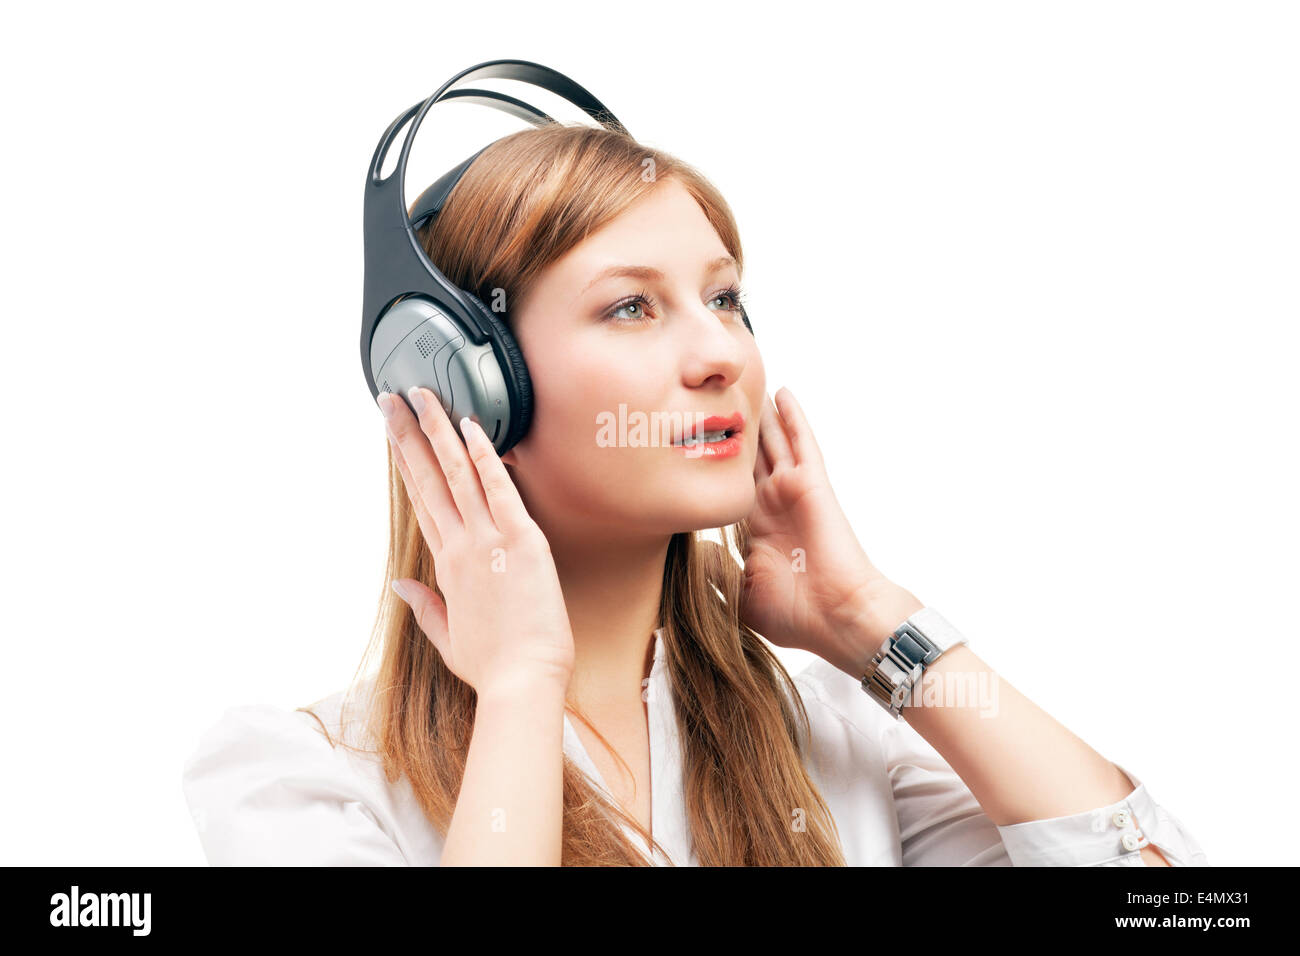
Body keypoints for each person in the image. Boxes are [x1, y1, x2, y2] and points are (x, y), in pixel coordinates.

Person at [181, 121, 1209, 866]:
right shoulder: (303, 779)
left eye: (724, 298)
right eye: (631, 307)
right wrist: (521, 688)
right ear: (462, 380)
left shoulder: (835, 742)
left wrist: (870, 623)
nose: (721, 351)